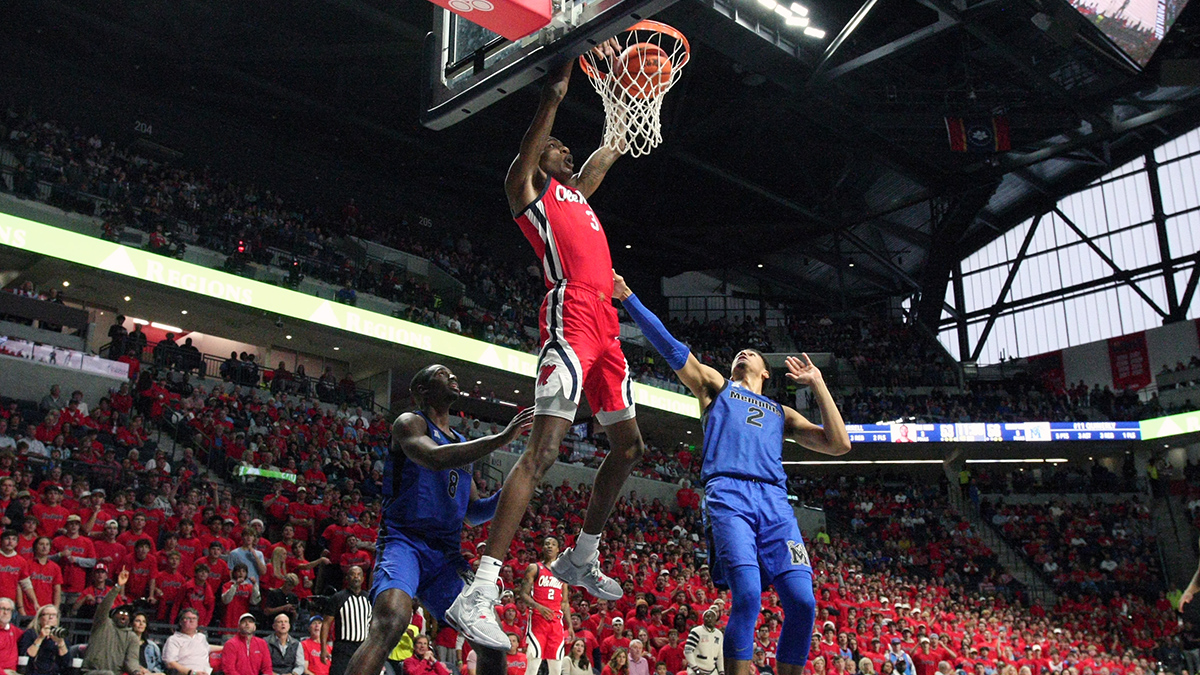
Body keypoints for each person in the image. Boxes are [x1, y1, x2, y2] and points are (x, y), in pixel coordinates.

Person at [448, 39, 648, 652]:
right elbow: (549, 111)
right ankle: (479, 589)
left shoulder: (580, 195)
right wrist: (566, 59)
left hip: (607, 326)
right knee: (545, 450)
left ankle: (581, 558)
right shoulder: (527, 191)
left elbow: (611, 148)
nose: (566, 148)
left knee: (632, 446)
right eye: (558, 146)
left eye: (566, 148)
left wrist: (634, 88)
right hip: (570, 318)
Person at [611, 271, 851, 675]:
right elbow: (673, 350)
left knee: (804, 602)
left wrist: (819, 384)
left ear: (766, 372)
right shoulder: (716, 388)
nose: (743, 353)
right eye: (739, 352)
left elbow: (839, 443)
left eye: (751, 353)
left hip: (775, 502)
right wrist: (628, 298)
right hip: (728, 496)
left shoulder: (781, 413)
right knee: (749, 596)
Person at [342, 365, 533, 675]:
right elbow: (434, 457)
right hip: (405, 542)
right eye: (442, 373)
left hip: (445, 557)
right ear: (422, 390)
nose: (453, 376)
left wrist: (514, 492)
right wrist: (501, 438)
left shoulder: (460, 442)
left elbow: (472, 512)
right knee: (391, 620)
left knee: (492, 643)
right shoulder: (410, 423)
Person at [520, 536, 571, 675]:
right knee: (533, 665)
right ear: (543, 548)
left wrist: (570, 625)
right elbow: (523, 594)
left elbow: (565, 602)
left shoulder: (563, 573)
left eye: (553, 544)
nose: (549, 546)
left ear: (558, 549)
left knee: (556, 668)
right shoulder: (534, 568)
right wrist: (538, 607)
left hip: (556, 623)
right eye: (547, 544)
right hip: (538, 620)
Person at [81, 569, 144, 675]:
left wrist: (136, 671)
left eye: (127, 614)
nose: (124, 615)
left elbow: (131, 660)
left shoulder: (131, 637)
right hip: (91, 671)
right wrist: (117, 587)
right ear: (113, 614)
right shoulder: (103, 623)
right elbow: (103, 607)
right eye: (120, 612)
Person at [321, 566, 371, 675]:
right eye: (353, 574)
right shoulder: (338, 597)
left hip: (363, 647)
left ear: (363, 578)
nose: (356, 577)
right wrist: (323, 648)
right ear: (347, 578)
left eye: (359, 574)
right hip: (343, 647)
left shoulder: (369, 598)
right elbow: (326, 623)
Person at [163, 608, 219, 675]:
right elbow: (170, 663)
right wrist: (192, 672)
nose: (192, 620)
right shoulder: (174, 639)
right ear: (181, 622)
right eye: (188, 618)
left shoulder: (201, 637)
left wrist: (227, 646)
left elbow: (207, 647)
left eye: (194, 618)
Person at [18, 605, 69, 675]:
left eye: (54, 615)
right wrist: (40, 638)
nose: (51, 617)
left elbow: (66, 662)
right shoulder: (30, 633)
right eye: (47, 614)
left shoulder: (60, 635)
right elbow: (25, 657)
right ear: (39, 619)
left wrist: (60, 642)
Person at [684, 609, 724, 675]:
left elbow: (720, 655)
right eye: (707, 617)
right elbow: (688, 651)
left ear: (715, 619)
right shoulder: (696, 631)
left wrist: (721, 671)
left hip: (712, 671)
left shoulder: (719, 634)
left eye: (712, 617)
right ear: (703, 619)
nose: (709, 619)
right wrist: (696, 669)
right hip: (696, 670)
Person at [0, 598, 19, 675]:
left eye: (9, 610)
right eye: (2, 609)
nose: (5, 612)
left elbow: (29, 635)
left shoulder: (13, 630)